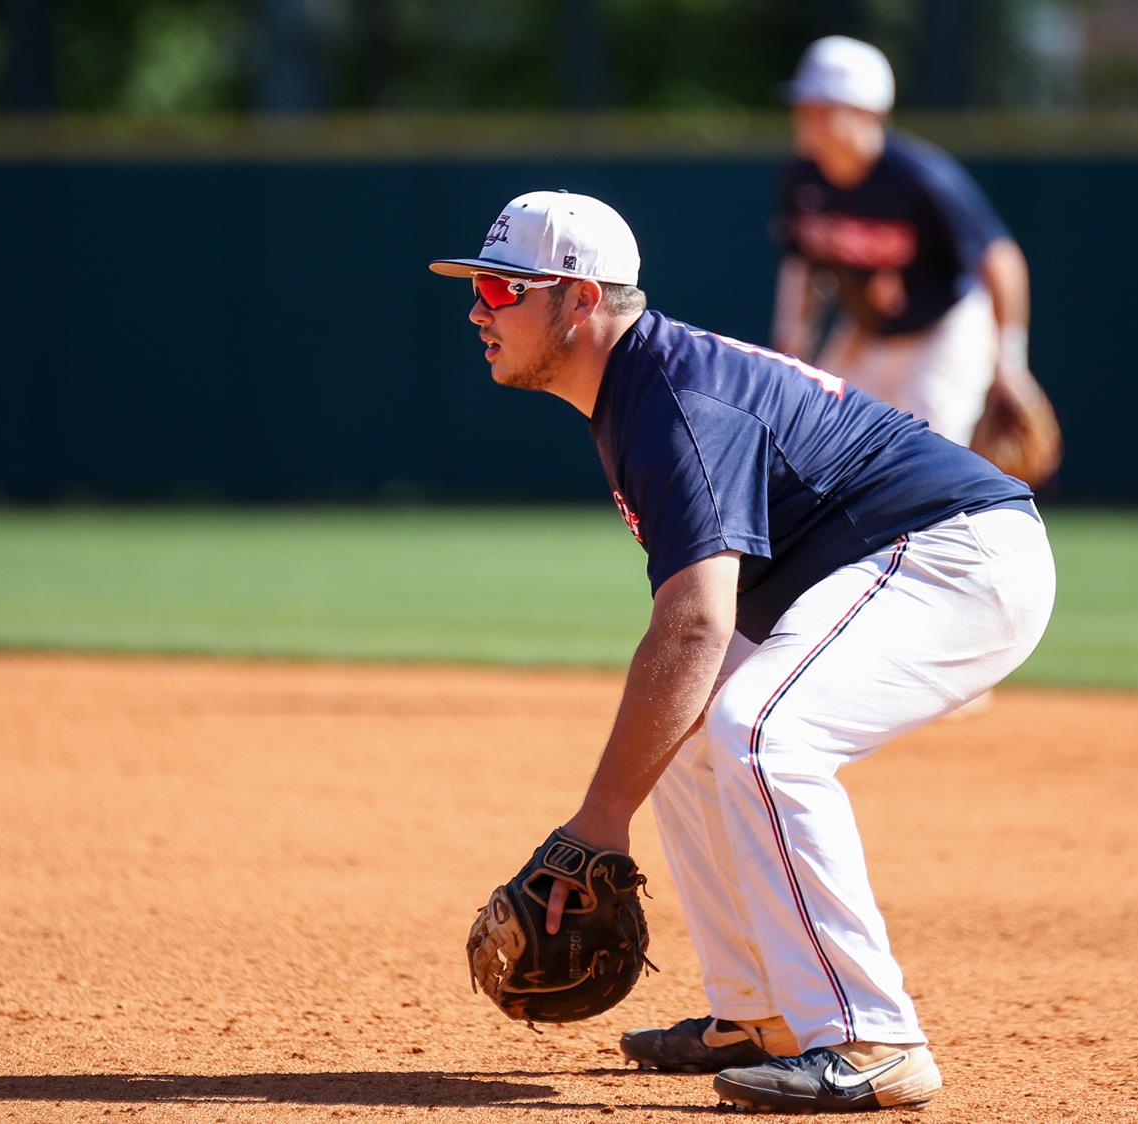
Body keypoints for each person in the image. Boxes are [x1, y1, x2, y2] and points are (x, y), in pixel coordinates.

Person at [430, 189, 1055, 1113]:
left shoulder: (672, 402)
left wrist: (596, 826)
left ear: (580, 299)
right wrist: (607, 810)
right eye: (478, 288)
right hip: (888, 558)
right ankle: (762, 1013)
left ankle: (874, 1038)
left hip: (953, 557)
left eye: (501, 289)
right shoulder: (639, 389)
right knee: (681, 731)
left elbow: (696, 622)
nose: (478, 310)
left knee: (760, 731)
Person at [771, 35, 1039, 450]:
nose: (806, 118)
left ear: (868, 112)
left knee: (931, 454)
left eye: (823, 108)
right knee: (817, 441)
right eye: (804, 106)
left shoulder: (921, 178)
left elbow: (1001, 259)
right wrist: (793, 341)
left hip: (944, 327)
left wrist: (1010, 361)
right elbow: (803, 263)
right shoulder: (804, 178)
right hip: (867, 330)